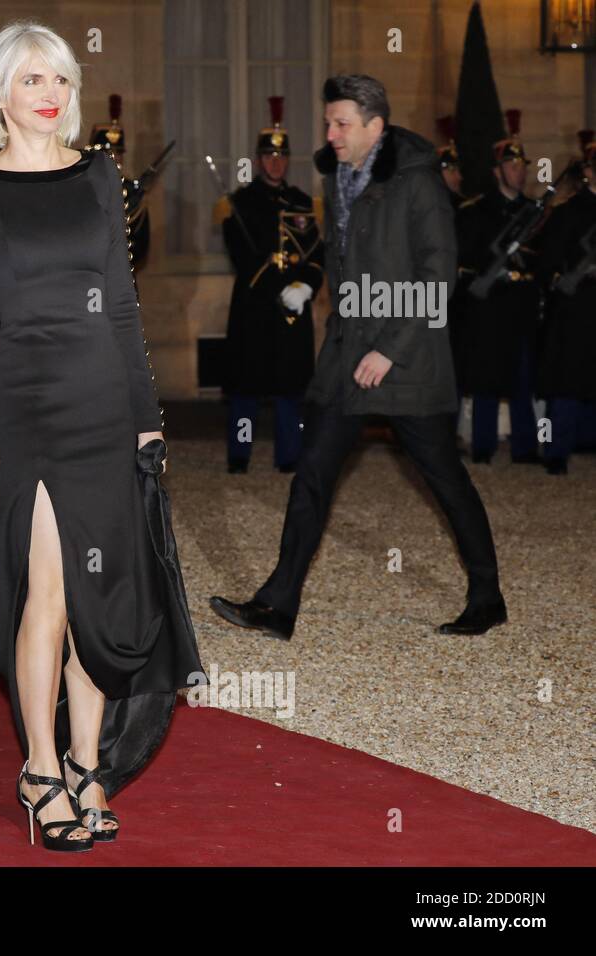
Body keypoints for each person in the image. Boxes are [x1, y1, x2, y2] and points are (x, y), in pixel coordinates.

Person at [0, 20, 205, 852]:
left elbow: (122, 307)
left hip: (105, 409)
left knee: (100, 598)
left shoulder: (99, 175)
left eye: (59, 80)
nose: (49, 95)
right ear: (0, 96)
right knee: (47, 596)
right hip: (33, 407)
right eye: (31, 81)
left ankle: (89, 763)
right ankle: (40, 769)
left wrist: (148, 419)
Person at [210, 74, 507, 639]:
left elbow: (437, 276)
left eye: (342, 123)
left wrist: (388, 352)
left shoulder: (418, 185)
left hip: (406, 361)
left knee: (444, 478)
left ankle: (487, 595)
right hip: (347, 358)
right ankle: (278, 605)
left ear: (377, 126)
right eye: (328, 122)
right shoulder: (340, 176)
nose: (331, 133)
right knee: (313, 475)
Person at [216, 96, 324, 473]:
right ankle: (239, 456)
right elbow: (243, 260)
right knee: (245, 391)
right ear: (259, 159)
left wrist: (306, 287)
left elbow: (316, 255)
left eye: (281, 156)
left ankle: (290, 457)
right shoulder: (240, 204)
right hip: (255, 308)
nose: (275, 162)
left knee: (290, 391)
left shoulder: (302, 203)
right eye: (268, 156)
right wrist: (275, 281)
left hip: (292, 311)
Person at [452, 110, 542, 465]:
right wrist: (485, 277)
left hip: (519, 305)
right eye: (512, 166)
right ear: (497, 171)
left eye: (523, 166)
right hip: (489, 308)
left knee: (523, 377)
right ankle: (484, 446)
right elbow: (463, 260)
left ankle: (524, 447)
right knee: (486, 377)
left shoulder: (532, 212)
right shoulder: (477, 211)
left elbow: (540, 259)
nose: (519, 172)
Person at [536, 130, 596, 475]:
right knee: (567, 381)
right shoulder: (567, 212)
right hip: (575, 309)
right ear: (587, 171)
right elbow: (547, 264)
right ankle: (557, 451)